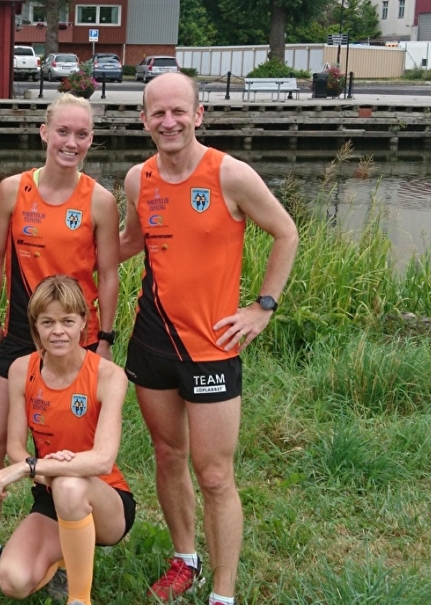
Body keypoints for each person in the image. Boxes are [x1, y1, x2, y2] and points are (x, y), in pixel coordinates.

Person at [119, 73, 298, 604]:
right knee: (167, 453)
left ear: (199, 115)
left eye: (179, 111)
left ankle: (223, 593)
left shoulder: (230, 175)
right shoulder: (138, 180)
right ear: (144, 120)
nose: (168, 122)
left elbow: (286, 232)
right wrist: (64, 253)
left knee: (215, 474)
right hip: (152, 341)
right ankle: (185, 560)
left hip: (213, 348)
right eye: (158, 113)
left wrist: (263, 307)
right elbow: (129, 242)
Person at [0, 94, 120, 587]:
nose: (71, 142)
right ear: (44, 133)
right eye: (63, 132)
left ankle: (70, 545)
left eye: (82, 134)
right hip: (22, 334)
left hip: (74, 339)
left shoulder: (100, 201)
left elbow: (108, 275)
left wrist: (103, 338)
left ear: (91, 140)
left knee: (72, 451)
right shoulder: (12, 190)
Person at [0, 275, 135, 605]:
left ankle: (79, 599)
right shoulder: (23, 369)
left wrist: (30, 467)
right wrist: (39, 468)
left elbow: (102, 460)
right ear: (36, 327)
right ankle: (67, 554)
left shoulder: (109, 375)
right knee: (14, 581)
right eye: (47, 322)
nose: (58, 331)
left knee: (70, 484)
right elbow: (14, 448)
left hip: (105, 497)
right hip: (51, 492)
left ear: (84, 322)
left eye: (68, 321)